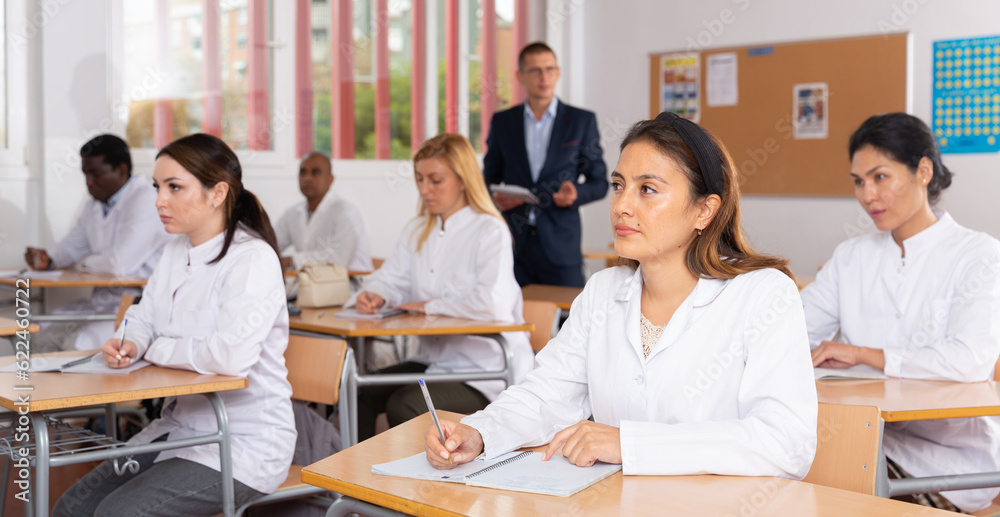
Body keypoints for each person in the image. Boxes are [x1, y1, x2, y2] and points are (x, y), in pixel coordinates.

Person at [425, 113, 818, 479]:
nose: (622, 206)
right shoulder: (604, 291)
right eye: (618, 186)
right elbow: (547, 394)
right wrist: (479, 434)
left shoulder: (762, 294)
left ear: (705, 211)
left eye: (647, 189)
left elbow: (786, 444)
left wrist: (627, 444)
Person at [53, 134, 294, 517]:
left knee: (117, 513)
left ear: (217, 193)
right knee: (72, 508)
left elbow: (229, 357)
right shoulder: (174, 251)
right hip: (179, 429)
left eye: (174, 187)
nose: (159, 201)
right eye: (157, 187)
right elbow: (143, 317)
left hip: (243, 441)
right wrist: (131, 342)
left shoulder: (252, 259)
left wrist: (155, 347)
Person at [802, 113, 1000, 513]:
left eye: (880, 177)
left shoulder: (980, 255)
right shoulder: (851, 257)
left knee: (832, 477)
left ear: (923, 171)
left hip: (949, 456)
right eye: (859, 181)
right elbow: (794, 332)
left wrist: (865, 355)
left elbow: (969, 360)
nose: (867, 196)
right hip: (864, 434)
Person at [349, 133, 534, 442]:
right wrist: (377, 294)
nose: (424, 190)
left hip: (486, 372)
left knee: (405, 405)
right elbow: (392, 277)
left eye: (435, 180)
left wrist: (431, 306)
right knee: (362, 391)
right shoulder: (418, 229)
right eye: (420, 179)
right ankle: (358, 484)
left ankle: (415, 489)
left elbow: (492, 304)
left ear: (463, 180)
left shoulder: (490, 230)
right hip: (436, 362)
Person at [24, 134, 170, 350]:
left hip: (138, 305)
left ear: (121, 170)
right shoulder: (95, 205)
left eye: (95, 174)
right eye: (85, 174)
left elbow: (118, 264)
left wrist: (85, 263)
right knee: (39, 332)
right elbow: (72, 246)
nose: (88, 182)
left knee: (77, 344)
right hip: (103, 301)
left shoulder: (146, 200)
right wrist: (49, 258)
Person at [483, 42, 608, 288]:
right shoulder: (503, 122)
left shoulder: (581, 121)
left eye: (550, 69)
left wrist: (576, 194)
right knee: (510, 322)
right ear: (520, 76)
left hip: (560, 246)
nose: (544, 77)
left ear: (558, 73)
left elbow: (600, 182)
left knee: (570, 321)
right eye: (535, 70)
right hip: (513, 245)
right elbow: (488, 178)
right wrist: (496, 197)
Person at [275, 151, 373, 272]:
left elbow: (338, 259)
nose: (307, 178)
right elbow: (272, 244)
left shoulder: (346, 212)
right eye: (303, 172)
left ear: (330, 179)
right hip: (312, 285)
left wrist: (292, 261)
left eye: (315, 173)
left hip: (350, 285)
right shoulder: (292, 213)